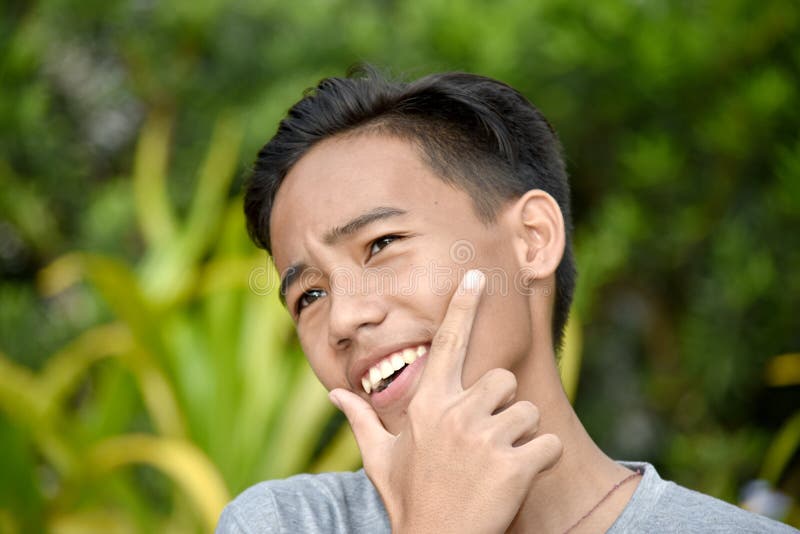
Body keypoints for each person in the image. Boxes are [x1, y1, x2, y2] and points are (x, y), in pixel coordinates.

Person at [217, 68, 796, 533]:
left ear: (532, 239)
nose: (344, 317)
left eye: (382, 243)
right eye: (309, 294)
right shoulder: (286, 523)